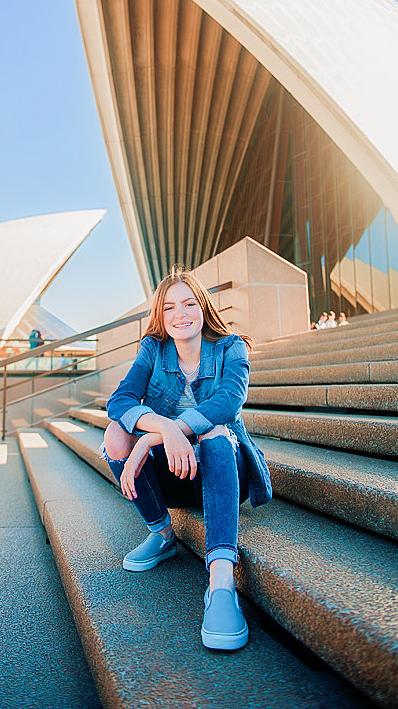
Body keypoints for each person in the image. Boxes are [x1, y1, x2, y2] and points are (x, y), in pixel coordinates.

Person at [103, 267, 272, 651]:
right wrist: (166, 430)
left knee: (213, 430)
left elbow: (227, 402)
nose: (181, 313)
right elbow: (120, 401)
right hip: (178, 477)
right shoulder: (152, 349)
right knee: (115, 434)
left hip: (227, 472)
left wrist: (149, 442)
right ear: (161, 316)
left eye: (189, 303)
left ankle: (222, 584)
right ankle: (162, 534)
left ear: (203, 306)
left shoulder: (231, 347)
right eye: (170, 307)